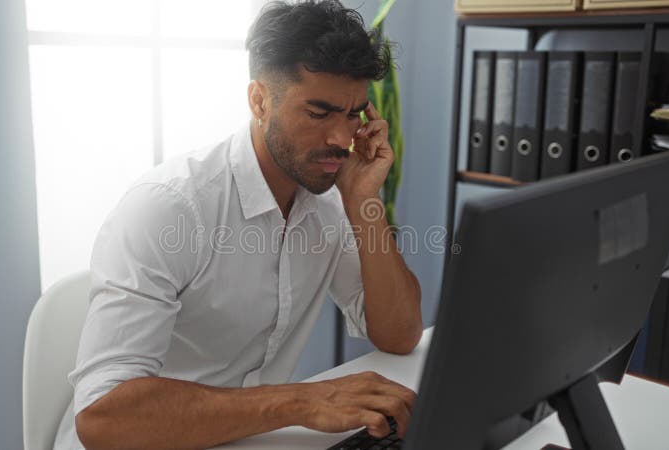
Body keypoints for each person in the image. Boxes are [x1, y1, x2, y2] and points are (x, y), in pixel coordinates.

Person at [53, 1, 423, 449]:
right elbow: (102, 418)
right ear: (259, 100)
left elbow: (399, 334)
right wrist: (301, 402)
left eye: (353, 115)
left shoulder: (328, 196)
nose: (341, 140)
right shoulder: (169, 208)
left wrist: (365, 201)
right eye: (319, 113)